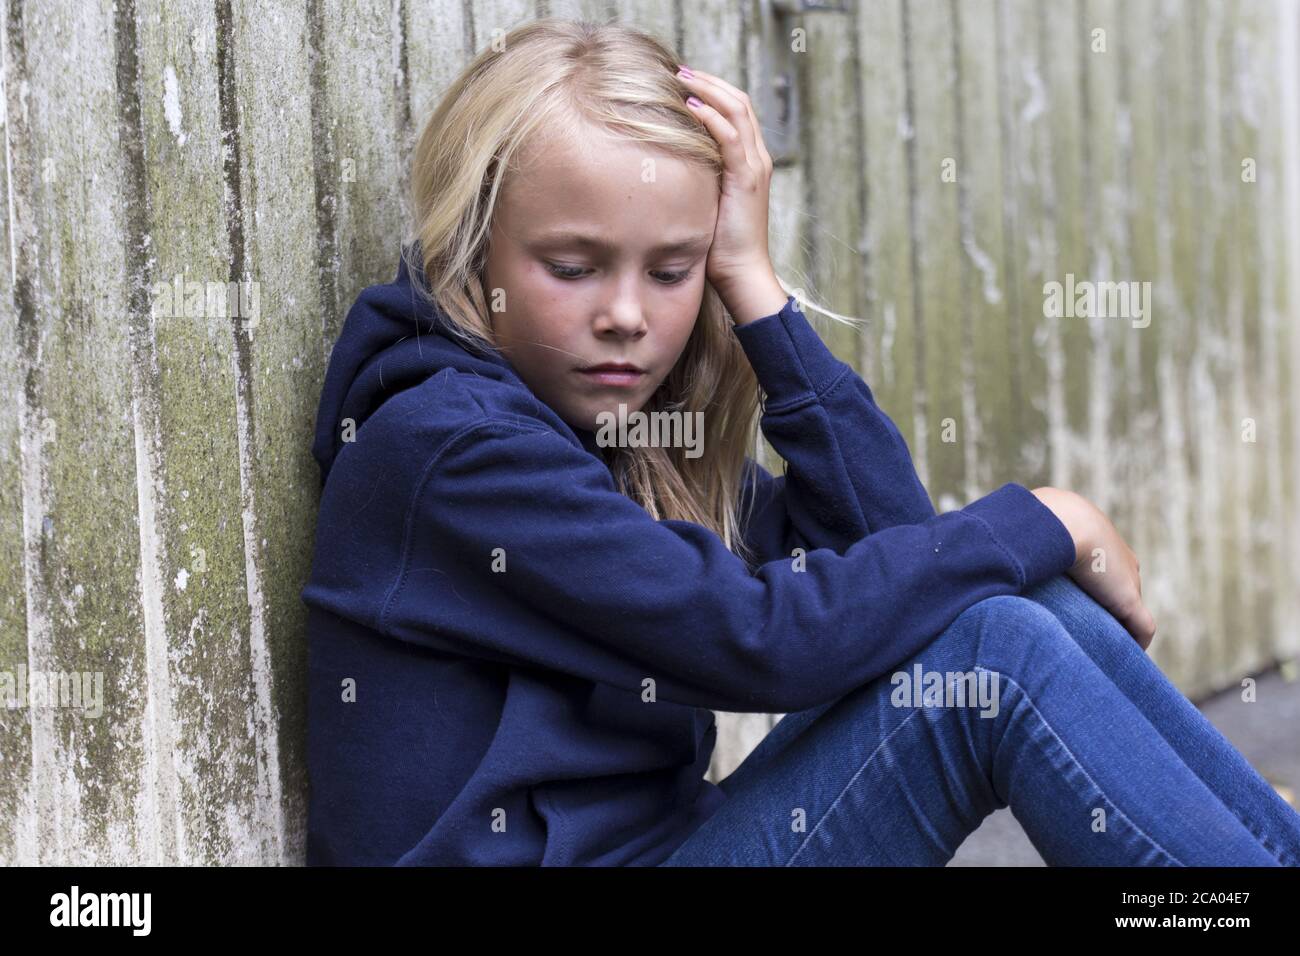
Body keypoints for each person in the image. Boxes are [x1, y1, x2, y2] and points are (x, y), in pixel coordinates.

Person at [301, 17, 1300, 866]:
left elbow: (892, 548)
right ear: (473, 251)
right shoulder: (452, 450)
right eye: (573, 264)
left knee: (1017, 605)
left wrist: (756, 289)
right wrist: (1050, 516)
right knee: (995, 649)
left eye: (671, 269)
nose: (624, 314)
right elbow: (765, 638)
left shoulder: (618, 429)